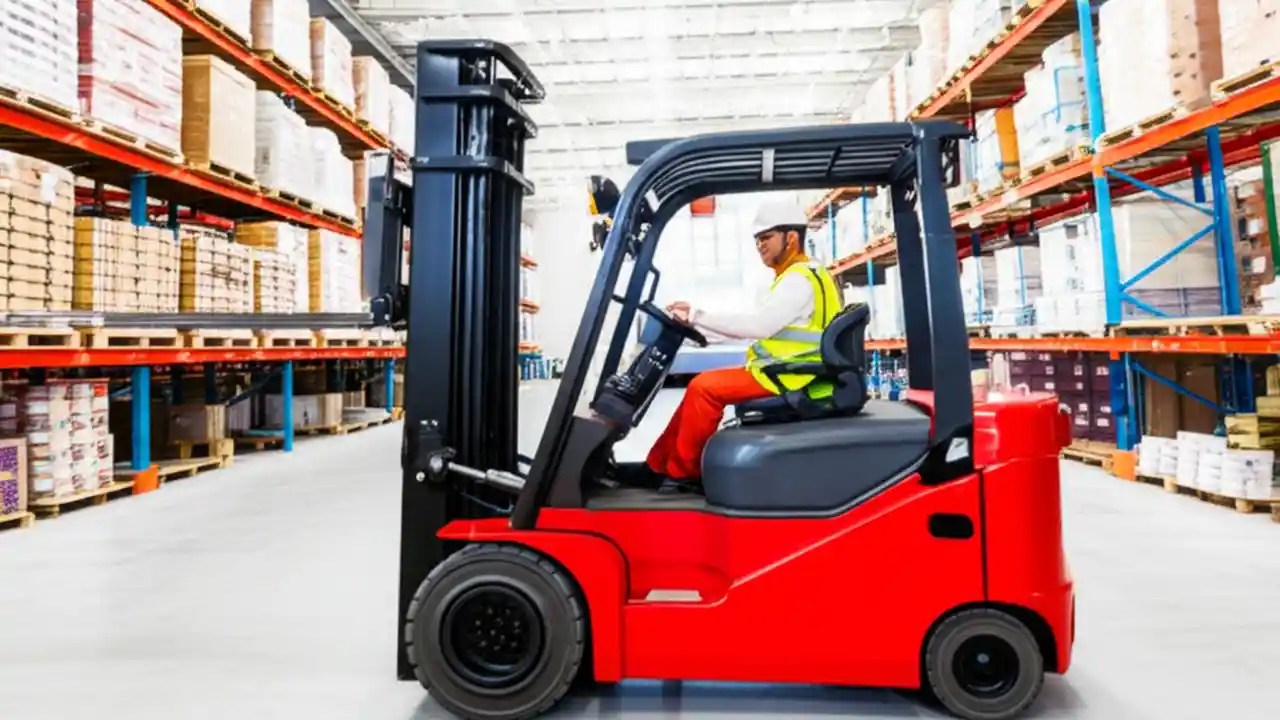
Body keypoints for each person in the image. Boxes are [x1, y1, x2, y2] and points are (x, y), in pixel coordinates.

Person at [644, 200, 842, 493]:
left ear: (791, 237)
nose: (759, 245)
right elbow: (761, 330)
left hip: (795, 377)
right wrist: (699, 331)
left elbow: (758, 326)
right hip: (789, 371)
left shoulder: (798, 280)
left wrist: (698, 316)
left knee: (704, 389)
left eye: (766, 237)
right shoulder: (801, 275)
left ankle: (684, 475)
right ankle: (656, 467)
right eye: (757, 239)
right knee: (697, 390)